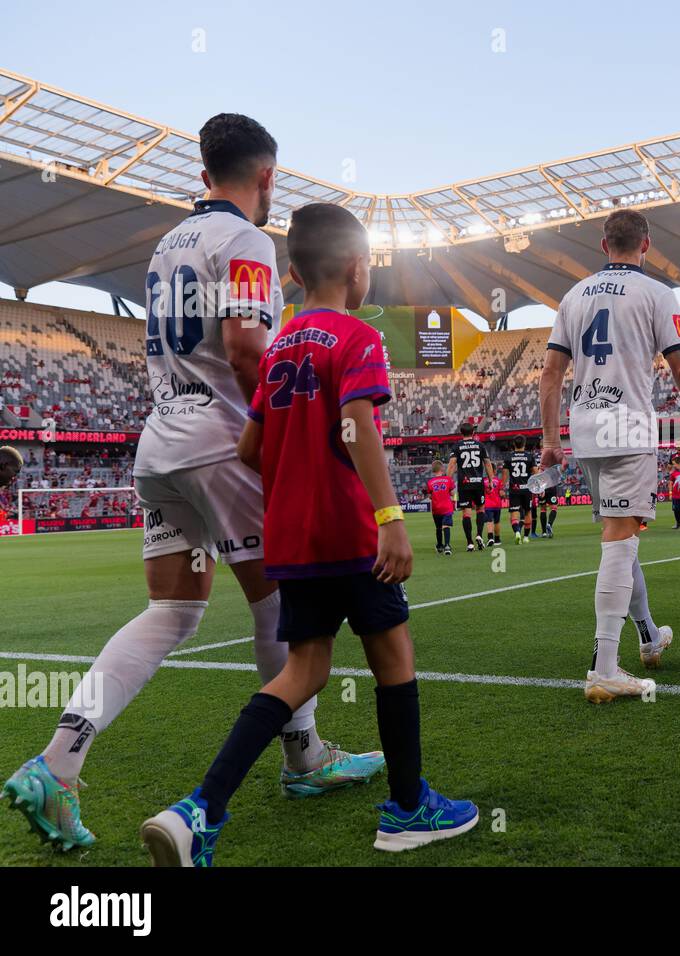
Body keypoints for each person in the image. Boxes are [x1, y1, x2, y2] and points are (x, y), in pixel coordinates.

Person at [4, 115, 378, 854]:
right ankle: (303, 756)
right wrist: (276, 439)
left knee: (172, 611)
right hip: (221, 444)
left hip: (162, 444)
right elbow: (245, 348)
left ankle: (59, 762)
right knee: (282, 602)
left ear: (204, 170)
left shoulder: (167, 245)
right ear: (266, 176)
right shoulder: (245, 242)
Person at [140, 202, 476, 866]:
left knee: (305, 670)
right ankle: (409, 809)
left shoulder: (282, 345)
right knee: (394, 658)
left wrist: (296, 472)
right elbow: (358, 424)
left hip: (290, 538)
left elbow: (247, 448)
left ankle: (197, 812)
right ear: (360, 270)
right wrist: (389, 517)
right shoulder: (357, 336)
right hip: (348, 530)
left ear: (291, 272)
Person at [538, 209, 680, 701]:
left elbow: (550, 374)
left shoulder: (574, 295)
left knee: (622, 531)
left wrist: (551, 440)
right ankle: (604, 667)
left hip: (584, 425)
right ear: (646, 244)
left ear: (603, 244)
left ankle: (649, 635)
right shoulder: (657, 294)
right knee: (621, 538)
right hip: (628, 423)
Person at [446, 422, 493, 551]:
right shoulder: (480, 445)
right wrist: (491, 480)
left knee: (466, 513)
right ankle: (479, 534)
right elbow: (488, 464)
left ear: (461, 433)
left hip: (464, 483)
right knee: (480, 509)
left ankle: (470, 542)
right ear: (473, 433)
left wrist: (448, 482)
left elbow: (451, 465)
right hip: (478, 482)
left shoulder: (457, 446)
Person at [505, 437, 534, 544]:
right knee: (527, 512)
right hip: (527, 489)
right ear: (524, 444)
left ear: (514, 444)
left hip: (514, 489)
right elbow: (535, 473)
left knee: (514, 513)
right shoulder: (530, 457)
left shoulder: (509, 457)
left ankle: (517, 532)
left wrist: (501, 488)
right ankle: (526, 537)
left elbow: (505, 474)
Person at [427, 460, 455, 555]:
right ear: (442, 469)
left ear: (433, 470)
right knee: (446, 526)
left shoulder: (430, 482)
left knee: (438, 528)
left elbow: (430, 496)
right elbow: (452, 493)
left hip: (436, 508)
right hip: (447, 507)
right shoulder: (448, 480)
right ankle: (447, 546)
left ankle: (439, 546)